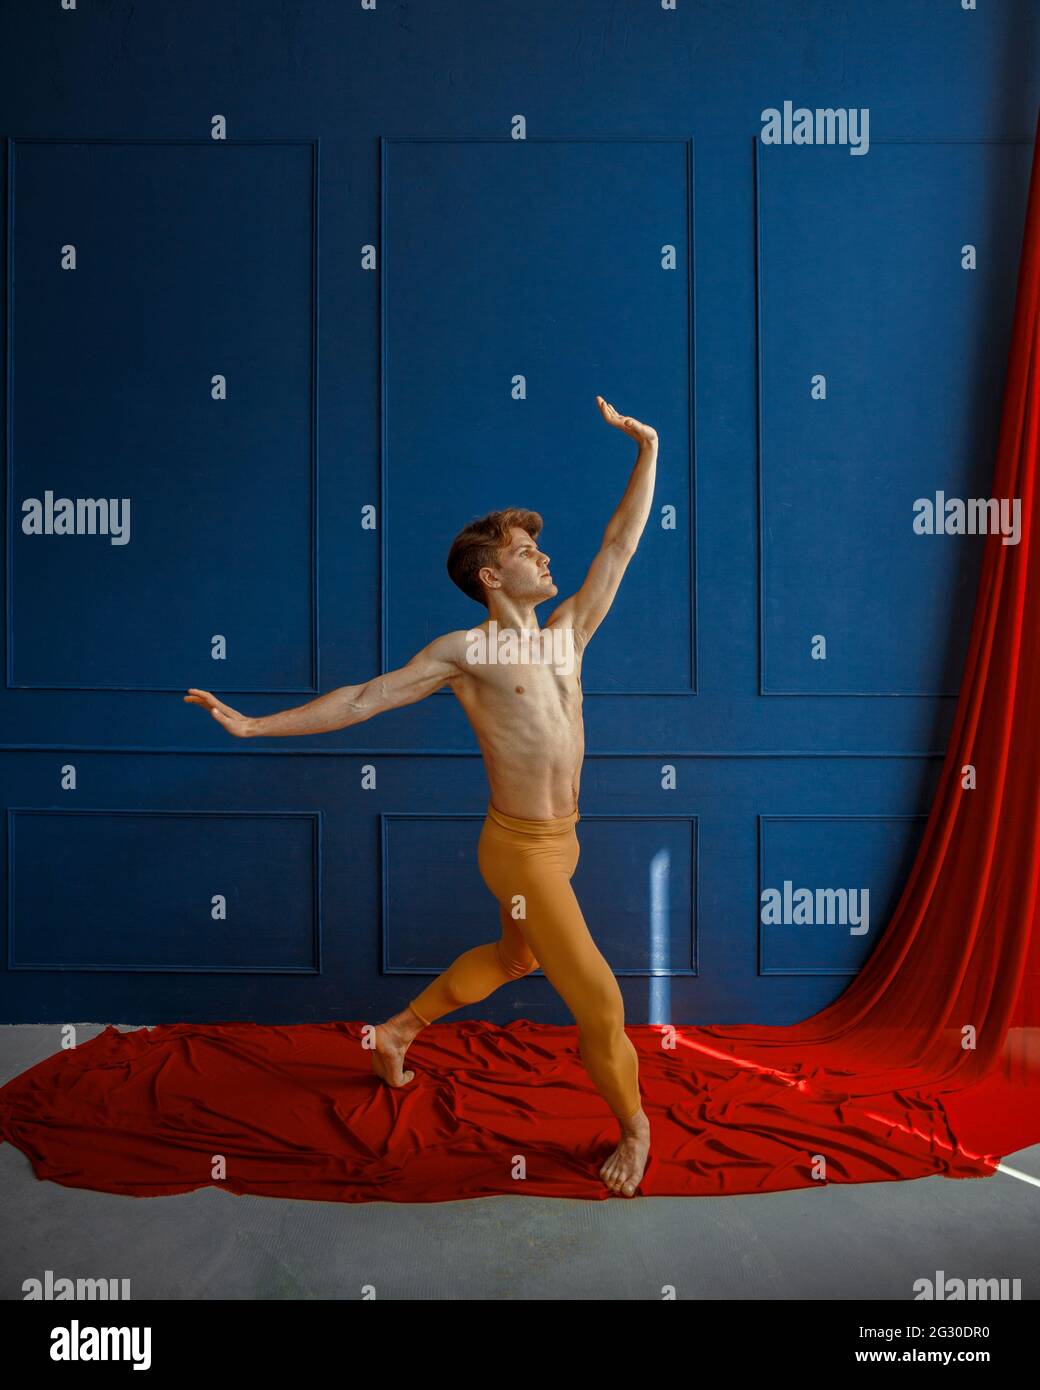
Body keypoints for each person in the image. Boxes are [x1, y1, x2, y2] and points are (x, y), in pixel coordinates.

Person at [185, 394, 658, 1196]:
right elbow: (366, 697)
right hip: (519, 853)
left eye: (541, 546)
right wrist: (257, 728)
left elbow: (619, 544)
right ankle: (637, 1129)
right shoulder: (465, 652)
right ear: (489, 573)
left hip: (565, 839)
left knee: (518, 957)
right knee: (602, 1001)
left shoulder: (567, 633)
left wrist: (646, 449)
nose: (545, 557)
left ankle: (396, 1033)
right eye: (525, 549)